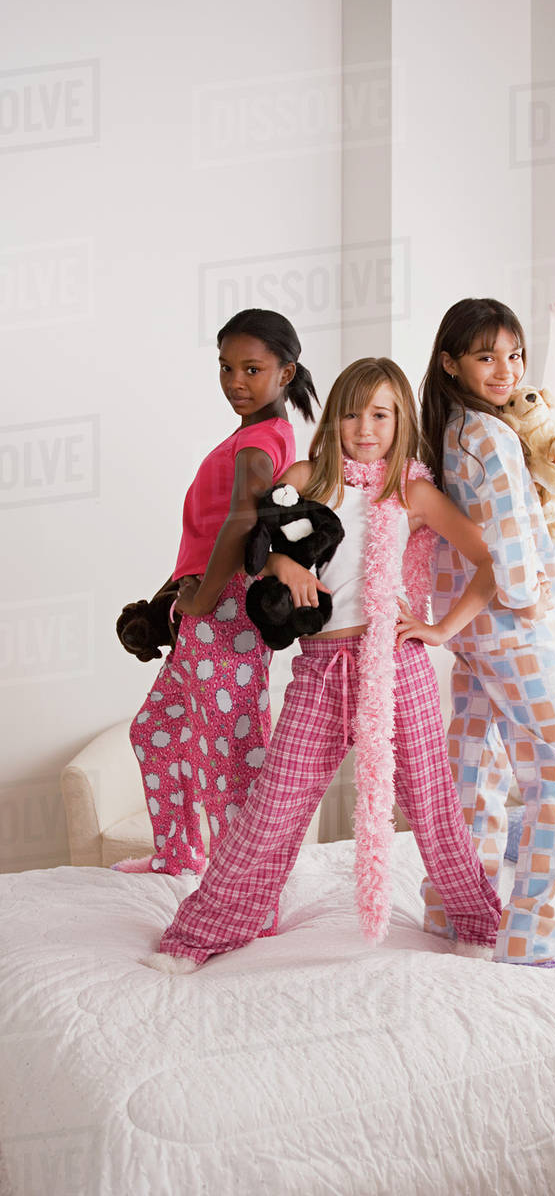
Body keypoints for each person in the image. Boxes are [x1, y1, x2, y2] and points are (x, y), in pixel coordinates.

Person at [143, 356, 502, 970]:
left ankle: (479, 923)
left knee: (430, 803)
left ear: (400, 421)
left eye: (382, 415)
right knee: (273, 807)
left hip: (396, 664)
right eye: (353, 413)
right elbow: (253, 544)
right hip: (321, 665)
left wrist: (441, 629)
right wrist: (281, 565)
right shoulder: (308, 477)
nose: (366, 427)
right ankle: (204, 933)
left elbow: (491, 561)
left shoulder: (412, 491)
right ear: (334, 418)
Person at [419, 297, 555, 968]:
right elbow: (509, 544)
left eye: (514, 354)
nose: (505, 369)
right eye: (486, 356)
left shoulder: (449, 430)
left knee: (478, 764)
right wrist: (533, 598)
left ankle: (456, 912)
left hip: (471, 633)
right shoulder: (489, 437)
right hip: (512, 626)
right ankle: (535, 937)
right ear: (451, 362)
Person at [116, 309, 317, 876]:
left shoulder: (259, 442)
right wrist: (172, 596)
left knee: (229, 760)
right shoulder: (255, 433)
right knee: (155, 731)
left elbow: (240, 522)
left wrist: (201, 600)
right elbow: (206, 533)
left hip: (225, 611)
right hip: (205, 606)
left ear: (286, 371)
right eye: (226, 367)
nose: (235, 382)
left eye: (252, 369)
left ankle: (244, 890)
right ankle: (180, 855)